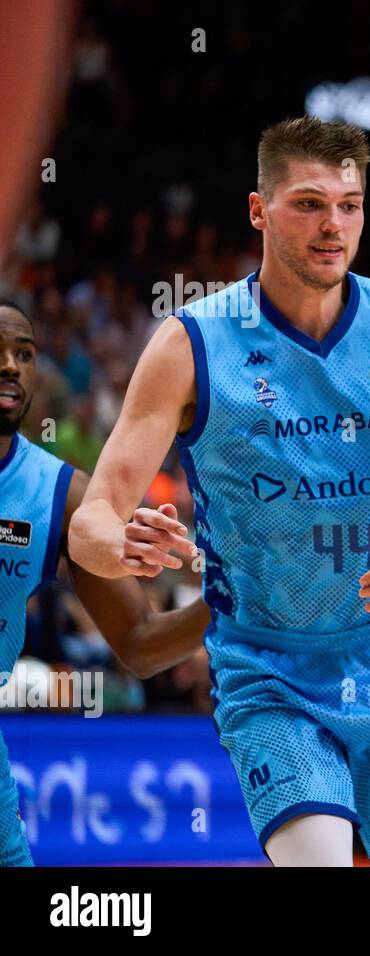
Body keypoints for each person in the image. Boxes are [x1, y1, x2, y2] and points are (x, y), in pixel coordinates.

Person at [69, 118, 370, 866]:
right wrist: (122, 543)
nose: (333, 226)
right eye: (307, 203)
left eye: (349, 204)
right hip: (274, 669)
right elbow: (93, 521)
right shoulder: (191, 343)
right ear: (258, 210)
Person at [0, 298, 208, 867]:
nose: (11, 366)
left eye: (24, 353)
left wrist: (233, 594)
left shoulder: (58, 492)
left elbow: (140, 643)